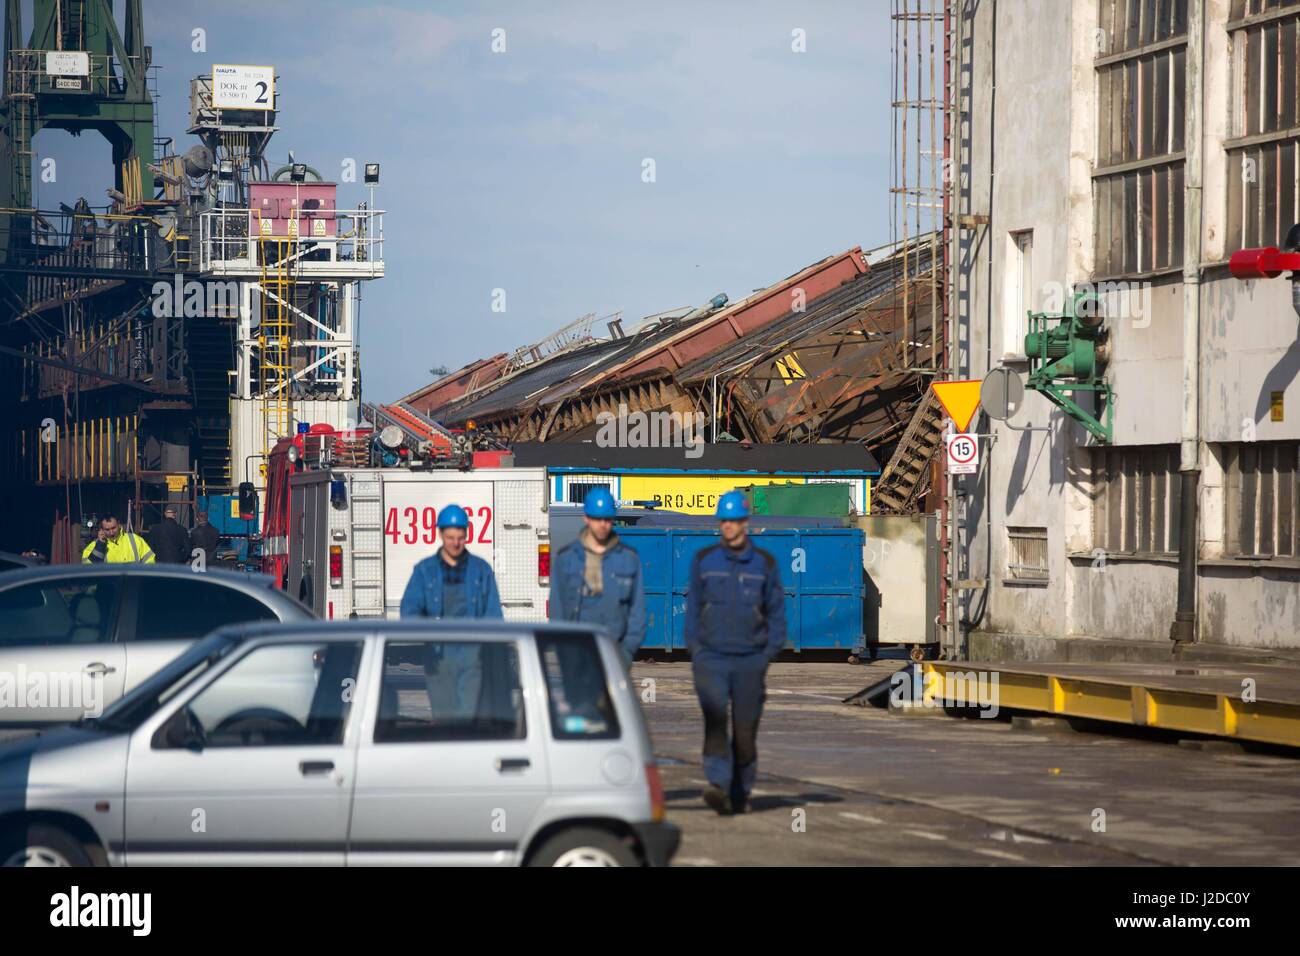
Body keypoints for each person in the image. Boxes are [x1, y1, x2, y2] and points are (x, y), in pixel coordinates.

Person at [685, 490, 786, 816]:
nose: (728, 527)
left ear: (745, 522)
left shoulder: (765, 564)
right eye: (724, 521)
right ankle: (718, 783)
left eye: (734, 521)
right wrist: (697, 652)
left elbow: (776, 612)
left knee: (745, 731)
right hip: (711, 658)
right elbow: (693, 610)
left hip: (749, 661)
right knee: (715, 721)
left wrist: (765, 654)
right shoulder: (704, 560)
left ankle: (739, 793)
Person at [400, 504, 502, 720]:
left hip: (472, 657)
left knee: (468, 718)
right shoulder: (424, 571)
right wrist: (425, 633)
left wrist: (490, 650)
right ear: (440, 535)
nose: (455, 543)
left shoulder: (481, 570)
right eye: (450, 537)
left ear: (466, 535)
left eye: (460, 537)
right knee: (445, 720)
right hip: (438, 658)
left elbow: (493, 616)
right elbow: (409, 610)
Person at [549, 487, 646, 668]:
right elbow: (557, 609)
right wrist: (564, 652)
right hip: (576, 655)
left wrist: (626, 651)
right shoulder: (567, 559)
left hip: (615, 654)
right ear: (586, 518)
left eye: (607, 519)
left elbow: (637, 611)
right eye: (596, 518)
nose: (602, 524)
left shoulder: (628, 559)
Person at [81, 515, 156, 564]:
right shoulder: (94, 545)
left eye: (113, 528)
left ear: (119, 525)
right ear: (102, 530)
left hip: (133, 586)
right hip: (108, 587)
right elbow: (87, 568)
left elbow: (150, 561)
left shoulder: (135, 540)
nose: (111, 532)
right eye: (107, 529)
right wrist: (100, 545)